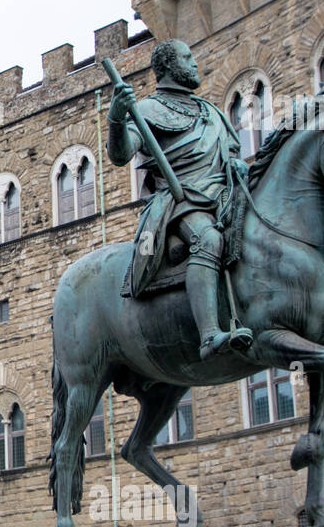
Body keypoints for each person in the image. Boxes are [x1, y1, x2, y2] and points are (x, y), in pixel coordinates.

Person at [108, 39, 253, 360]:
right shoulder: (147, 110)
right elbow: (120, 155)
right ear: (169, 66)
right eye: (187, 57)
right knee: (209, 240)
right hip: (181, 201)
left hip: (223, 193)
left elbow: (230, 152)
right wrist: (116, 120)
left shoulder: (210, 111)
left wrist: (237, 166)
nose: (195, 62)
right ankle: (209, 335)